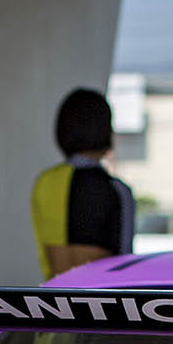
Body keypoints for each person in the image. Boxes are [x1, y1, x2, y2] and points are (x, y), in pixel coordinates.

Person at [31, 88, 134, 279]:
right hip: (100, 305)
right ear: (105, 129)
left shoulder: (44, 182)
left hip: (53, 301)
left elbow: (43, 255)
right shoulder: (116, 190)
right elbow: (125, 263)